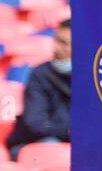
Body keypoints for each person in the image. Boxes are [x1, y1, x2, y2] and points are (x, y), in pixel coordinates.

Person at [6, 19, 71, 157]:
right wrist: (69, 132)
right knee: (52, 148)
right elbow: (36, 123)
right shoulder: (40, 74)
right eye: (56, 41)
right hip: (35, 143)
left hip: (73, 142)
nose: (56, 49)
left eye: (64, 44)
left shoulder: (92, 77)